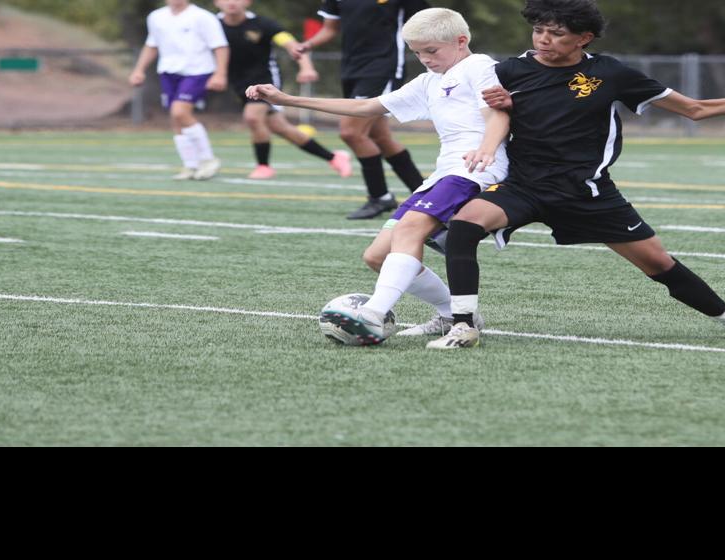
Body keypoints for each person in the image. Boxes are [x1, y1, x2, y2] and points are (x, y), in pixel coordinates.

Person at [427, 0, 725, 351]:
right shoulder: (510, 71)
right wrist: (497, 109)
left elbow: (696, 110)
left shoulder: (612, 74)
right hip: (525, 186)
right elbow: (468, 105)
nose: (544, 40)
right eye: (538, 30)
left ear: (584, 38)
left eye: (557, 33)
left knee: (659, 264)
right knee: (463, 226)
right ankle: (463, 324)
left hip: (587, 193)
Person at [250, 7, 508, 342]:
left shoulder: (479, 66)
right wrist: (286, 99)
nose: (425, 59)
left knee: (411, 229)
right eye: (417, 53)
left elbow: (497, 114)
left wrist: (487, 148)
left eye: (431, 51)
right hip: (445, 173)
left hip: (475, 171)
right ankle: (452, 314)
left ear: (461, 41)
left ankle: (371, 313)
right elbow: (365, 106)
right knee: (377, 255)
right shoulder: (429, 81)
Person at [288, 0, 431, 219]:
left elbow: (428, 22)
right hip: (351, 68)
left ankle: (379, 197)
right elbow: (329, 28)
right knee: (381, 137)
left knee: (351, 132)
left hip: (383, 66)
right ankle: (425, 196)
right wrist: (308, 45)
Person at [216, 0, 353, 181]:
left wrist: (306, 67)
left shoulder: (263, 24)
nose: (231, 2)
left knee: (252, 117)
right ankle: (334, 158)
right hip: (238, 84)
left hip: (265, 81)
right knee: (281, 128)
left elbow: (291, 44)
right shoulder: (211, 24)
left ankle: (263, 166)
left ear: (248, 2)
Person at [129, 0, 229, 181]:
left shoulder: (202, 17)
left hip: (197, 71)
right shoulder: (156, 17)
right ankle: (190, 165)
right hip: (168, 72)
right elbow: (152, 45)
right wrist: (139, 70)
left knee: (180, 112)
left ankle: (208, 159)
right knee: (175, 118)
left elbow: (220, 46)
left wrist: (220, 73)